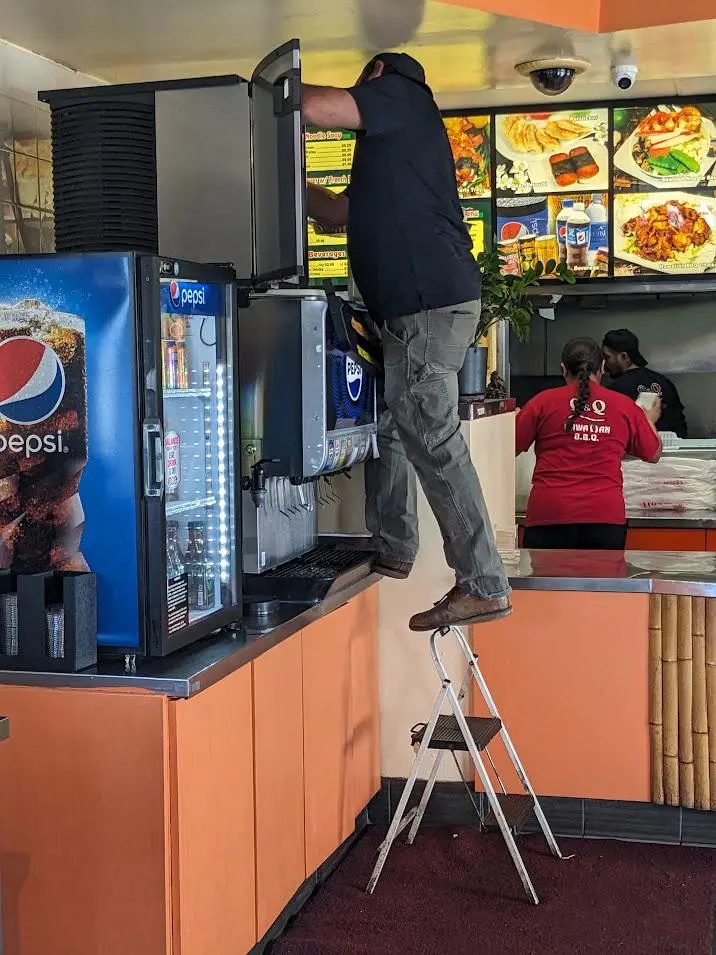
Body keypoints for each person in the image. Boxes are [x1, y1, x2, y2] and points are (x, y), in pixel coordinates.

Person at [302, 53, 510, 631]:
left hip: (426, 305)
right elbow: (339, 213)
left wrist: (266, 96)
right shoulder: (392, 152)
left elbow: (318, 106)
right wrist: (286, 175)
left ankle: (483, 583)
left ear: (374, 76)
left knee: (430, 431)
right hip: (411, 309)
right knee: (394, 420)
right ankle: (394, 542)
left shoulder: (402, 95)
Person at [516, 337, 662, 550]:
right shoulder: (624, 406)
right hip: (605, 516)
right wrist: (648, 419)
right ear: (602, 367)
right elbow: (653, 454)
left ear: (563, 369)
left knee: (546, 583)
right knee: (601, 583)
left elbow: (510, 446)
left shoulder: (541, 402)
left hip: (549, 513)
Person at [602, 328, 687, 438]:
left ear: (623, 356)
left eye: (607, 357)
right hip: (674, 450)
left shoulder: (615, 390)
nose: (604, 363)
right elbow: (680, 426)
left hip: (636, 453)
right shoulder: (665, 383)